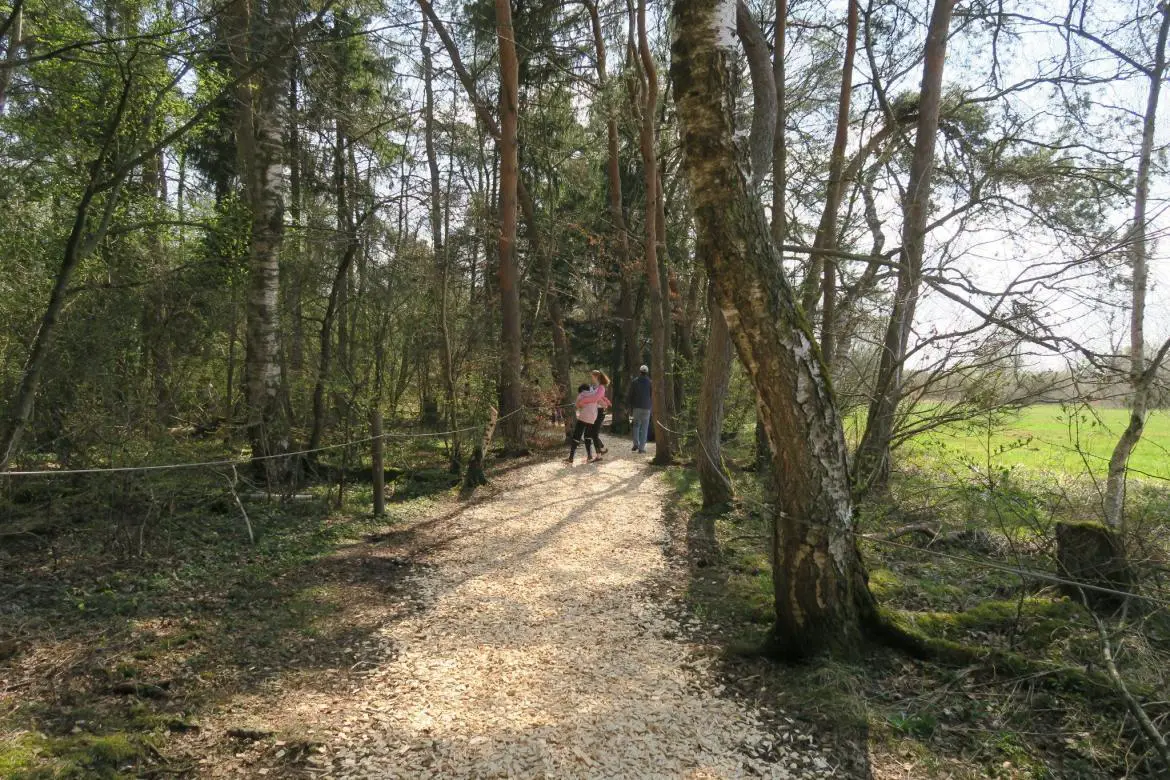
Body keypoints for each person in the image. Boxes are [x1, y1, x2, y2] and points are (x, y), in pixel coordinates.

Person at [565, 383, 606, 464]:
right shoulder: (595, 394)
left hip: (583, 417)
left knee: (576, 436)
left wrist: (582, 404)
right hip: (592, 418)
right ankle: (589, 456)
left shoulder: (581, 395)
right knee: (588, 436)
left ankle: (571, 458)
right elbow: (603, 404)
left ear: (581, 390)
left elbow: (577, 406)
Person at [627, 364, 652, 454]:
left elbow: (630, 395)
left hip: (636, 407)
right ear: (647, 372)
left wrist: (629, 406)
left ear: (640, 372)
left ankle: (635, 444)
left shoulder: (634, 382)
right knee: (645, 428)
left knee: (636, 426)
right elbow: (652, 395)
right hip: (647, 407)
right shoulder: (650, 382)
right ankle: (641, 448)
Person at [588, 370, 612, 458]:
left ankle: (599, 454)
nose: (591, 378)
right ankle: (601, 449)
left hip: (600, 412)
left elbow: (597, 398)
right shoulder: (594, 387)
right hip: (595, 412)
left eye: (592, 376)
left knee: (594, 433)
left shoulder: (601, 387)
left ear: (596, 377)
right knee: (593, 433)